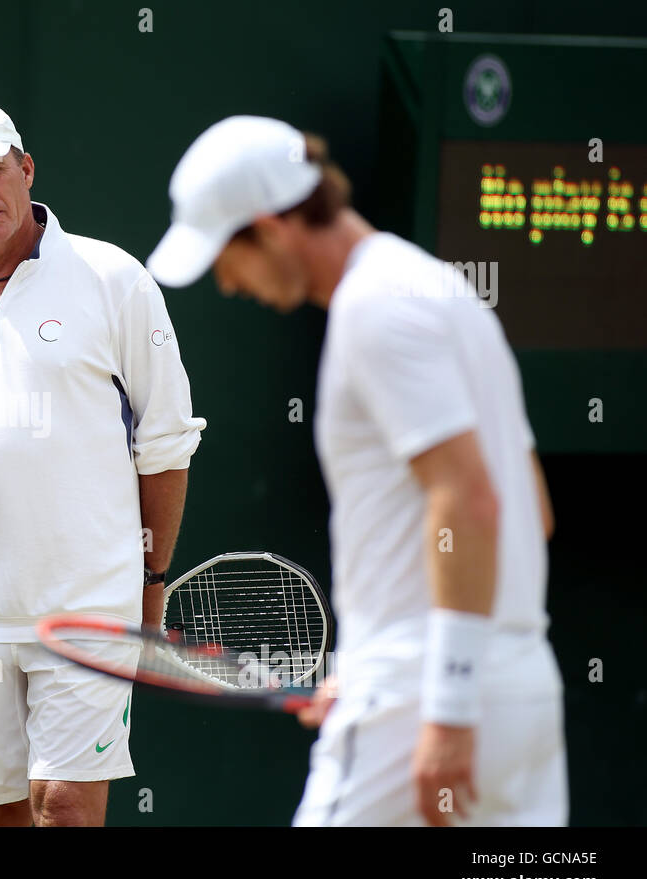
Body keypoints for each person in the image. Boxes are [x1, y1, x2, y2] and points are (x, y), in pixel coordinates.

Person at [147, 116, 565, 826]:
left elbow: (468, 502)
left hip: (423, 697)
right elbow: (533, 510)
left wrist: (441, 699)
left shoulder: (376, 310)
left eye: (226, 254)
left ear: (272, 227)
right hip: (521, 694)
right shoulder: (445, 292)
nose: (226, 283)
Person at [0, 99, 205, 826]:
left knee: (63, 807)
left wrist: (151, 583)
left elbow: (165, 444)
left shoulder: (114, 279)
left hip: (89, 606)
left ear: (25, 168)